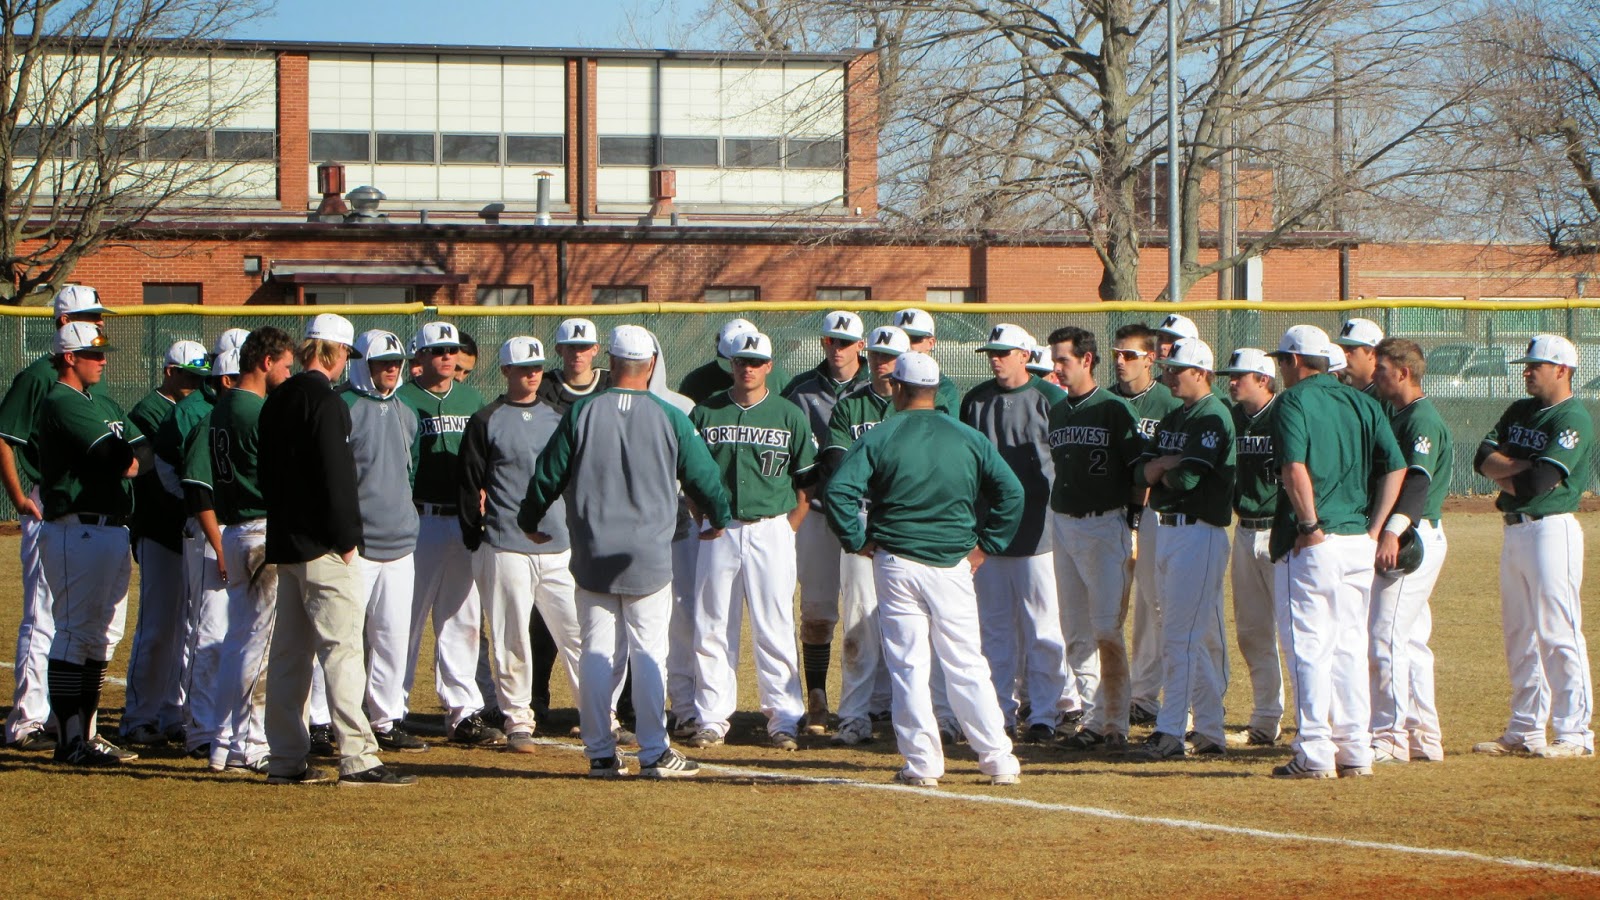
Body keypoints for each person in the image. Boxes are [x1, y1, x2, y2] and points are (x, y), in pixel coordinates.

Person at [518, 325, 731, 779]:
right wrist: (718, 517)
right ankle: (654, 752)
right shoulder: (670, 416)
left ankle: (599, 752)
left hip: (593, 552)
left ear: (608, 363)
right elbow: (705, 478)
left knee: (596, 653)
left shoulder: (582, 412)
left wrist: (529, 520)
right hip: (648, 557)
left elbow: (546, 474)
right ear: (651, 365)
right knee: (647, 651)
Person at [824, 351, 1025, 787]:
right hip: (953, 563)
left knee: (908, 666)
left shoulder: (882, 434)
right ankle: (998, 760)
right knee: (967, 663)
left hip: (896, 561)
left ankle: (923, 764)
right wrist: (986, 546)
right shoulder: (966, 436)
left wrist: (858, 540)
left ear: (897, 387)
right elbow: (1011, 492)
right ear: (935, 390)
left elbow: (839, 490)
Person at [258, 313, 414, 787]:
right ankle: (359, 757)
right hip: (326, 547)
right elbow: (337, 477)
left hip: (287, 544)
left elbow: (266, 476)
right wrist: (346, 538)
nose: (348, 360)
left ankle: (285, 757)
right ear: (334, 351)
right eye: (346, 352)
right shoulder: (325, 401)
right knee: (342, 652)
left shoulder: (277, 399)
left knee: (288, 655)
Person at [1267, 324, 1405, 779]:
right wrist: (1375, 529)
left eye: (1283, 360)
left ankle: (1314, 750)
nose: (1281, 368)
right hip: (1356, 543)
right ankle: (1355, 748)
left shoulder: (1294, 401)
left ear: (1295, 362)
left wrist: (1308, 524)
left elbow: (1294, 466)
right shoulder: (1364, 402)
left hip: (1315, 541)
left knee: (1309, 646)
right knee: (1348, 646)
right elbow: (1396, 467)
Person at [460, 336, 597, 754]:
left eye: (536, 366)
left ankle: (597, 715)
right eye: (522, 368)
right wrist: (476, 536)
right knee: (511, 634)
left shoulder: (561, 417)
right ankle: (518, 718)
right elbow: (470, 482)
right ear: (505, 372)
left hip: (558, 544)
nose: (532, 374)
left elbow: (576, 478)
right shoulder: (487, 419)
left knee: (578, 633)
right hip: (506, 544)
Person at [687, 331, 815, 751]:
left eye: (756, 361)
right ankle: (712, 716)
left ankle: (784, 718)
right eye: (742, 360)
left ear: (769, 367)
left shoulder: (787, 413)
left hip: (771, 527)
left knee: (774, 624)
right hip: (719, 528)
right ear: (731, 363)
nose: (748, 368)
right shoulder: (707, 412)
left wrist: (791, 521)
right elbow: (687, 472)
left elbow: (806, 477)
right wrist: (698, 512)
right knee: (712, 624)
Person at [0, 285, 113, 753]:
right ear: (65, 323)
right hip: (48, 501)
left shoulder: (88, 382)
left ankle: (60, 718)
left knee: (74, 618)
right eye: (89, 316)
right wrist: (20, 498)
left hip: (79, 509)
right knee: (43, 612)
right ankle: (28, 719)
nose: (100, 323)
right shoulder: (39, 376)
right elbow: (5, 436)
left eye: (99, 316)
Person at [1472, 334, 1594, 759]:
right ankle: (1525, 730)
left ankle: (1575, 732)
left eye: (1534, 365)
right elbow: (1480, 457)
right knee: (1520, 633)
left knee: (1559, 632)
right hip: (1515, 528)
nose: (1526, 371)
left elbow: (1540, 482)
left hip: (1551, 530)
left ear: (1561, 370)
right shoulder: (1520, 409)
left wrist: (1505, 472)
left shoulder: (1573, 417)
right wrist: (1515, 472)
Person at [36, 322, 148, 765]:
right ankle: (67, 741)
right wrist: (128, 460)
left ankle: (88, 733)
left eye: (102, 353)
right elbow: (117, 456)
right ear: (69, 357)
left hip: (109, 527)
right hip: (75, 528)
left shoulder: (96, 400)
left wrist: (131, 460)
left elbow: (147, 454)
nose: (102, 360)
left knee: (103, 637)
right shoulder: (62, 401)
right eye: (92, 354)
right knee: (75, 633)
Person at [960, 324, 1071, 744]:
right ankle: (1000, 711)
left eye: (1005, 352)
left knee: (1043, 627)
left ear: (1026, 355)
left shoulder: (1051, 399)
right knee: (993, 629)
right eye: (992, 352)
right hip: (988, 533)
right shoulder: (976, 400)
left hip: (1039, 531)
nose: (996, 358)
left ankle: (1044, 713)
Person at [1127, 338, 1236, 761]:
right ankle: (1209, 730)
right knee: (1186, 635)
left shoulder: (1211, 416)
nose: (1169, 374)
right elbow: (1141, 470)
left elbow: (1188, 479)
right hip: (1170, 530)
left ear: (1201, 373)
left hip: (1198, 532)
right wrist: (1164, 465)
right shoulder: (1177, 415)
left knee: (1180, 637)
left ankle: (1171, 730)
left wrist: (1165, 467)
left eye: (1178, 369)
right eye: (1168, 367)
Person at [196, 326, 296, 774]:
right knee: (257, 645)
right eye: (286, 364)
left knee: (238, 641)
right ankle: (248, 744)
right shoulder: (257, 410)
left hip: (234, 529)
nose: (288, 373)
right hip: (258, 530)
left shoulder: (221, 407)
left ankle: (222, 741)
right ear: (265, 362)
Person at [397, 321, 501, 746]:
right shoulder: (402, 398)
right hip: (416, 519)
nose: (446, 356)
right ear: (418, 357)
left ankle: (463, 713)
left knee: (462, 617)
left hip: (460, 521)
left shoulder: (471, 398)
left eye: (451, 349)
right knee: (402, 620)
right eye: (437, 349)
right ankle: (389, 710)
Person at [1045, 326, 1142, 753]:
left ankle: (1115, 722)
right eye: (1054, 359)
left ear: (1086, 360)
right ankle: (1090, 717)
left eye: (1063, 359)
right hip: (1064, 522)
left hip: (1105, 524)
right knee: (1076, 631)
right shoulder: (1058, 411)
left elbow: (1138, 471)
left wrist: (1134, 521)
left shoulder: (1114, 410)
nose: (1057, 368)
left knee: (1106, 629)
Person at [819, 325, 911, 746]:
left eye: (890, 355)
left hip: (906, 523)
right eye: (876, 353)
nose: (881, 362)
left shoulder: (920, 406)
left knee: (908, 626)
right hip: (862, 520)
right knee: (857, 623)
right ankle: (854, 716)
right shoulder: (850, 405)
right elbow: (839, 464)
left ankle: (905, 712)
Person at [780, 310, 868, 733]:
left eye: (846, 342)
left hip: (866, 515)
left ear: (861, 346)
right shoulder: (801, 390)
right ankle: (816, 698)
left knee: (865, 613)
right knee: (816, 610)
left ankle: (866, 704)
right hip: (816, 514)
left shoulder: (881, 387)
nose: (838, 349)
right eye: (832, 341)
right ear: (823, 344)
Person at [340, 330, 427, 753]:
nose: (391, 369)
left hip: (400, 543)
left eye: (396, 362)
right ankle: (324, 718)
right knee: (343, 636)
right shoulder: (345, 407)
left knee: (393, 635)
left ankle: (386, 717)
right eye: (382, 362)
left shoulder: (407, 411)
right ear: (363, 364)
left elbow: (409, 473)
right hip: (354, 546)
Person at [119, 340, 210, 747]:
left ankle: (173, 713)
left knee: (189, 627)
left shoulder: (199, 406)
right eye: (189, 376)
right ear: (170, 372)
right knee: (157, 628)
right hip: (158, 528)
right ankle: (138, 717)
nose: (194, 384)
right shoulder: (146, 411)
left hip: (188, 530)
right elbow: (150, 474)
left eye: (200, 378)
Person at [1369, 337, 1451, 764]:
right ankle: (1424, 737)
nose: (1375, 374)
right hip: (1412, 534)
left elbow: (1417, 484)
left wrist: (1390, 532)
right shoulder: (1398, 413)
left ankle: (1391, 737)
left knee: (1386, 637)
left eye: (1381, 368)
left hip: (1412, 537)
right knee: (1413, 641)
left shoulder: (1421, 418)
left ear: (1402, 373)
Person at [530, 317, 614, 723]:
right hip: (554, 507)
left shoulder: (612, 384)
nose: (577, 354)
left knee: (612, 608)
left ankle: (620, 704)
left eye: (584, 347)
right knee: (544, 612)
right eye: (569, 347)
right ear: (559, 350)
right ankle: (537, 696)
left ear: (596, 350)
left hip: (602, 508)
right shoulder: (543, 388)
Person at [174, 339, 244, 760]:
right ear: (226, 380)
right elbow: (199, 493)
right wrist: (219, 547)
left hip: (240, 533)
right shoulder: (210, 423)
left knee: (236, 634)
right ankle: (201, 728)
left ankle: (226, 724)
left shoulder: (245, 419)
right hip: (211, 535)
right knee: (211, 632)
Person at [1109, 322, 1181, 726]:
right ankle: (1128, 696)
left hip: (1154, 517)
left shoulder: (1168, 404)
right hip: (1109, 516)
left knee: (1158, 609)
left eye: (1130, 355)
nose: (1121, 362)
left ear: (1151, 358)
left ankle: (1167, 697)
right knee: (1109, 611)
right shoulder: (1105, 400)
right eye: (1117, 354)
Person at [1217, 348, 1284, 746]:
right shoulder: (1233, 417)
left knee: (1295, 636)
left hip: (1279, 530)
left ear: (1263, 378)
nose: (1232, 381)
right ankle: (1264, 719)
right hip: (1244, 530)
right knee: (1252, 631)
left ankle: (1319, 724)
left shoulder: (1285, 413)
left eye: (1239, 376)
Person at [678, 318, 790, 405]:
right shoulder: (696, 381)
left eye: (753, 362)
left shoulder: (779, 379)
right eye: (739, 363)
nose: (745, 369)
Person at [889, 308, 959, 415]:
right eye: (900, 339)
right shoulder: (876, 382)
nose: (906, 345)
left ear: (931, 343)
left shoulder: (944, 389)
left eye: (914, 339)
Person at [1334, 318, 1383, 396]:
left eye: (1349, 348)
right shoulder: (1341, 391)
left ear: (1373, 353)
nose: (1343, 353)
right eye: (1341, 347)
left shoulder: (1387, 395)